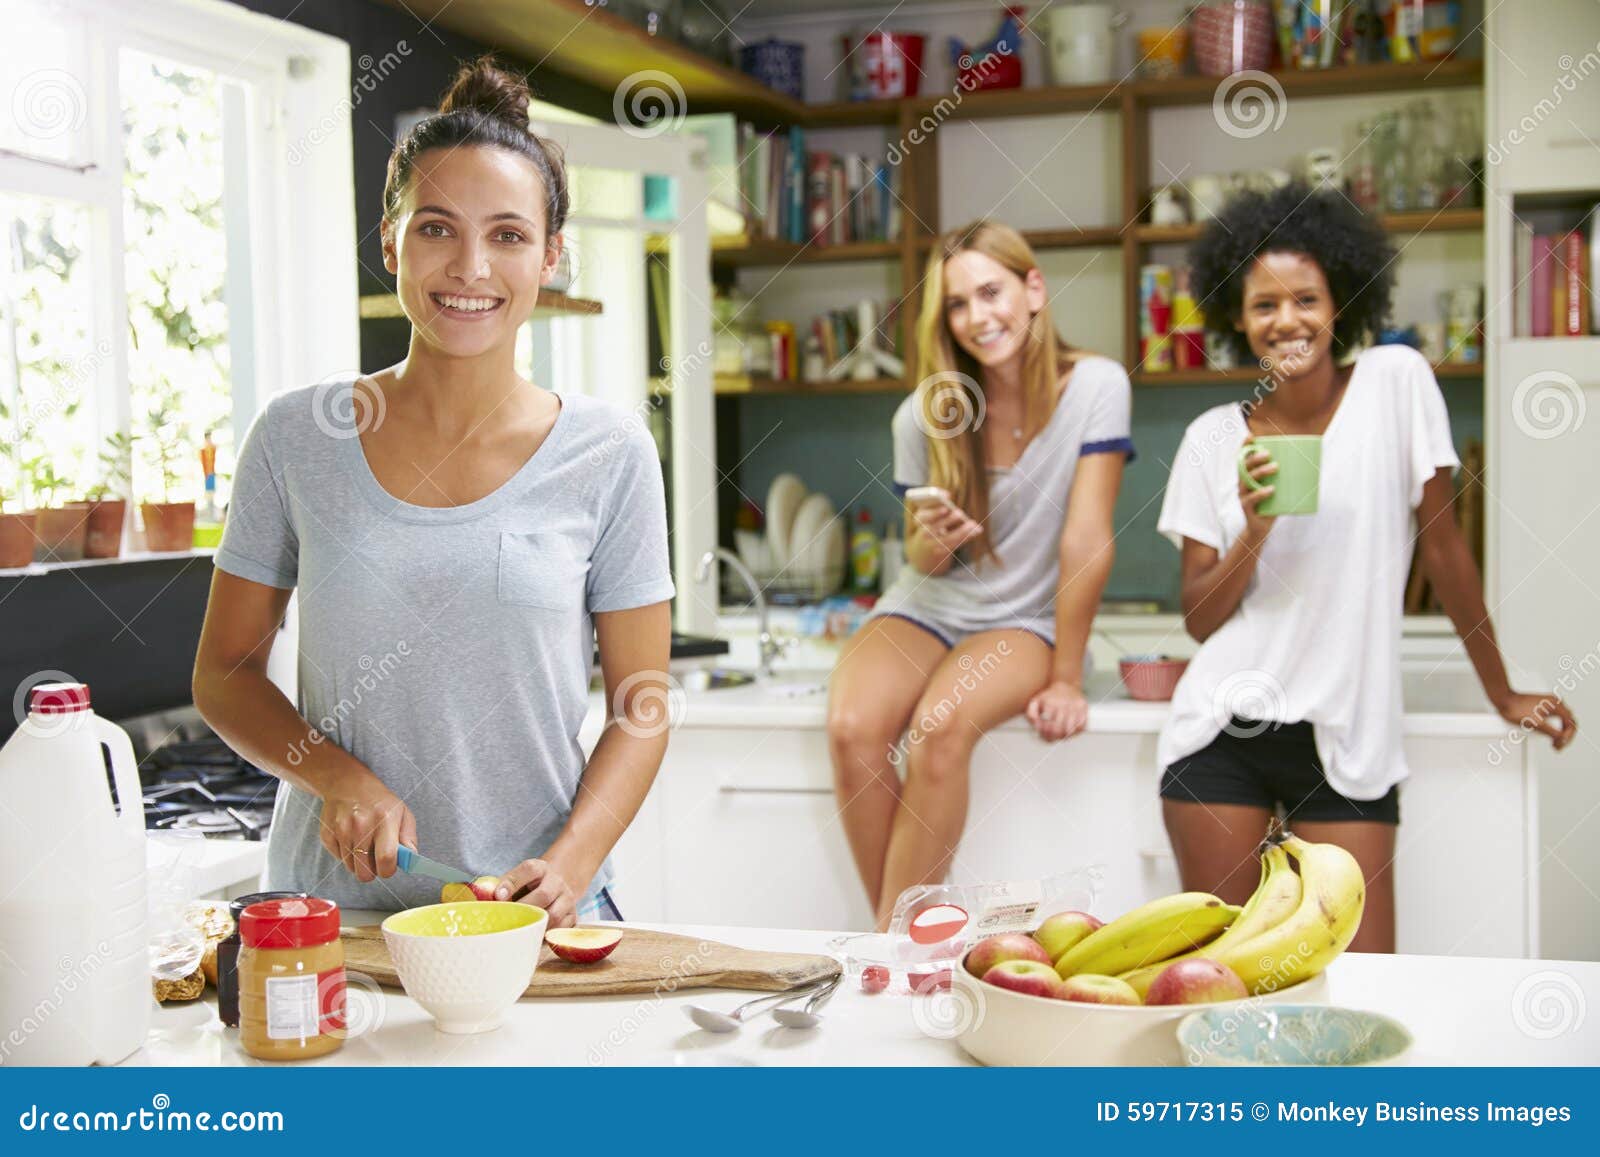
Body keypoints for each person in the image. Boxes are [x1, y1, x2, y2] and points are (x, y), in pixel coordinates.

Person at [192, 58, 675, 927]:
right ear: (391, 242)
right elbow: (224, 673)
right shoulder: (298, 438)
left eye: (509, 235)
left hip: (535, 915)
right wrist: (335, 774)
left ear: (551, 256)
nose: (471, 266)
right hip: (337, 920)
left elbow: (642, 705)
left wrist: (572, 863)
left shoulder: (609, 452)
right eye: (437, 229)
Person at [1157, 183, 1577, 952]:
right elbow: (1198, 617)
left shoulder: (1395, 381)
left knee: (1364, 974)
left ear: (1341, 300)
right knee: (1221, 975)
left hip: (1349, 732)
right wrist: (1256, 529)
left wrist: (1502, 688)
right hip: (1223, 730)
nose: (1287, 319)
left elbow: (1445, 550)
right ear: (1236, 319)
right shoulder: (1211, 438)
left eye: (1307, 298)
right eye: (1263, 305)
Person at [828, 220, 1133, 931]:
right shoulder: (925, 413)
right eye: (958, 304)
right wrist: (932, 540)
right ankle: (904, 942)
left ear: (1033, 289)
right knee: (851, 726)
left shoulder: (1096, 387)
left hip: (1023, 617)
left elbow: (1086, 537)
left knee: (938, 725)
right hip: (927, 603)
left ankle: (888, 947)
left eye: (990, 291)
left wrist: (1064, 674)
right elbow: (922, 561)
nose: (977, 317)